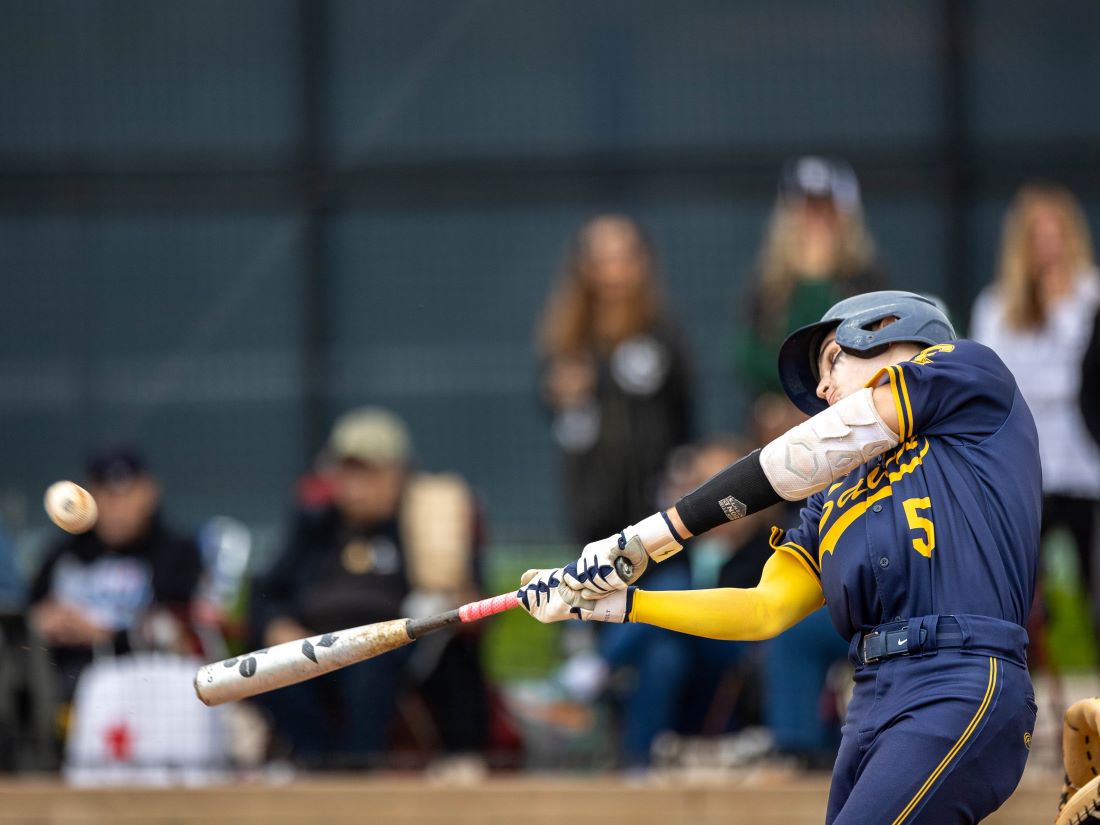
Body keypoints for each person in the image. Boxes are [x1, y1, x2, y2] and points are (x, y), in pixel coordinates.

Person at [519, 290, 1039, 823]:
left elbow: (815, 448)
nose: (822, 388)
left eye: (832, 359)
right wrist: (623, 605)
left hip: (959, 676)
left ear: (890, 328)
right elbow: (763, 608)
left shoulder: (968, 372)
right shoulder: (833, 496)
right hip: (871, 699)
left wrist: (646, 538)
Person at [249, 407, 490, 769]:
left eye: (370, 474)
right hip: (314, 643)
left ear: (399, 475)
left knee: (370, 666)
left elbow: (468, 598)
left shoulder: (424, 527)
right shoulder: (314, 526)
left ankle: (359, 769)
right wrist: (276, 622)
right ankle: (316, 765)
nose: (356, 488)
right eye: (347, 473)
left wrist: (446, 596)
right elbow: (269, 590)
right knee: (279, 665)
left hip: (392, 645)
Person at [971, 183, 1100, 643]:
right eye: (1038, 237)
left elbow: (1087, 377)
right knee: (1016, 589)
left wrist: (1063, 310)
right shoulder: (995, 306)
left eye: (1056, 235)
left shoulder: (1091, 296)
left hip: (1087, 468)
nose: (1049, 248)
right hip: (1023, 469)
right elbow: (992, 382)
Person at [537, 214, 694, 542]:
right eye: (603, 260)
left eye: (623, 258)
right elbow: (548, 399)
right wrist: (560, 389)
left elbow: (684, 405)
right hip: (591, 510)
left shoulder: (662, 331)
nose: (614, 273)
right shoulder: (568, 338)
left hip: (656, 511)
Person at [28, 446, 202, 704]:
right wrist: (40, 623)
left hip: (146, 691)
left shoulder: (176, 553)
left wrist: (102, 633)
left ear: (148, 493)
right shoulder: (65, 553)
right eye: (103, 494)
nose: (114, 507)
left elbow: (182, 632)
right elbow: (29, 612)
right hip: (60, 687)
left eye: (123, 494)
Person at [735, 156, 886, 435]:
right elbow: (748, 357)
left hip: (850, 412)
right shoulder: (767, 283)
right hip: (777, 419)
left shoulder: (866, 280)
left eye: (825, 211)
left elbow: (873, 351)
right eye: (806, 210)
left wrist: (817, 281)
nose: (815, 221)